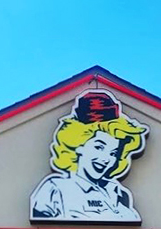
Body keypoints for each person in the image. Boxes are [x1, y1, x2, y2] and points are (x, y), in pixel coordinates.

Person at [30, 90, 148, 222]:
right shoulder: (55, 190)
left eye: (113, 153)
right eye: (99, 147)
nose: (105, 159)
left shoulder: (120, 194)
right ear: (78, 145)